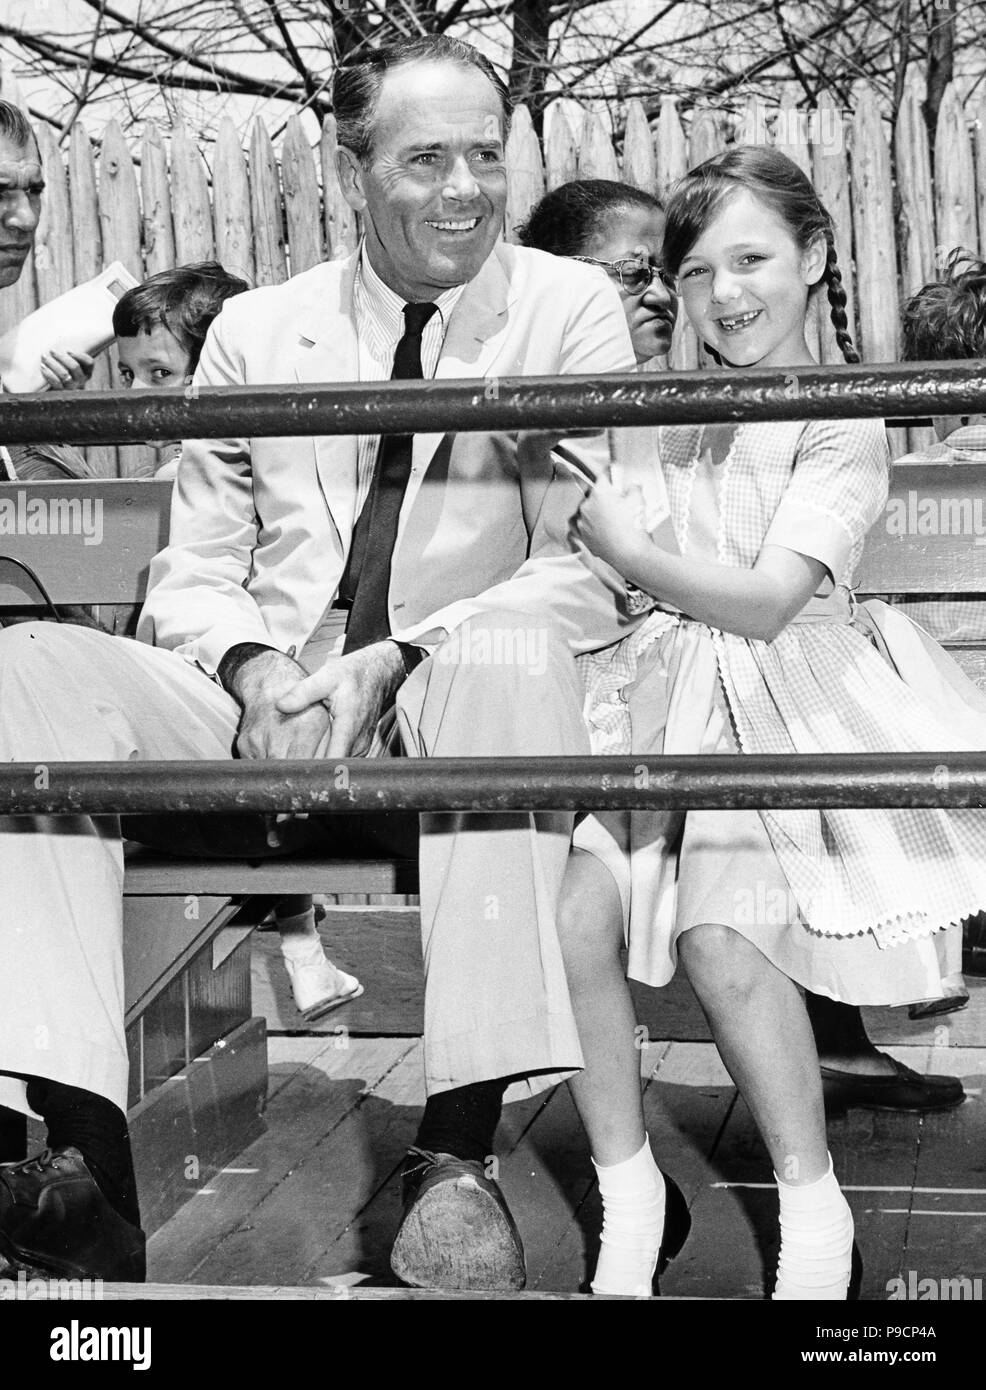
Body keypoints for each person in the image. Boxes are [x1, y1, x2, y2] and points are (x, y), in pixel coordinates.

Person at [0, 38, 638, 1282]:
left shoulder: (568, 307)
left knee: (511, 645)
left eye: (482, 156)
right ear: (358, 174)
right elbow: (193, 565)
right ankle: (83, 1166)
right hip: (263, 692)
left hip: (442, 695)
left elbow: (580, 561)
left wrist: (387, 662)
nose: (463, 187)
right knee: (23, 665)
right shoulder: (257, 326)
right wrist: (246, 669)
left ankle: (450, 1160)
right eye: (424, 159)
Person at [564, 145, 986, 1300]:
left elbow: (764, 600)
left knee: (720, 933)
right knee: (566, 916)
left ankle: (812, 1219)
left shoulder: (838, 414)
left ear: (811, 257)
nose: (723, 296)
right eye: (694, 273)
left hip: (790, 703)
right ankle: (627, 1192)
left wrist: (633, 553)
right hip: (672, 703)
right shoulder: (672, 406)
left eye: (750, 260)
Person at [113, 263, 364, 1021]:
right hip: (205, 660)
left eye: (161, 373)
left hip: (263, 659)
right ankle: (300, 946)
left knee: (271, 754)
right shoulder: (157, 471)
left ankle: (300, 942)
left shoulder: (214, 463)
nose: (137, 395)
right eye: (125, 374)